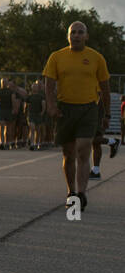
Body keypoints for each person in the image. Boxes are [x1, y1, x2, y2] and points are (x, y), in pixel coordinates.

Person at [42, 21, 110, 212]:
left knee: (83, 149)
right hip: (66, 109)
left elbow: (105, 87)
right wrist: (51, 105)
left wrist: (107, 113)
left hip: (89, 109)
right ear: (68, 36)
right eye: (73, 33)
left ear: (86, 36)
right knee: (68, 153)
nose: (77, 36)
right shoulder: (57, 57)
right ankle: (71, 192)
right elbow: (49, 84)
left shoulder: (96, 58)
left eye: (81, 32)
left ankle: (81, 193)